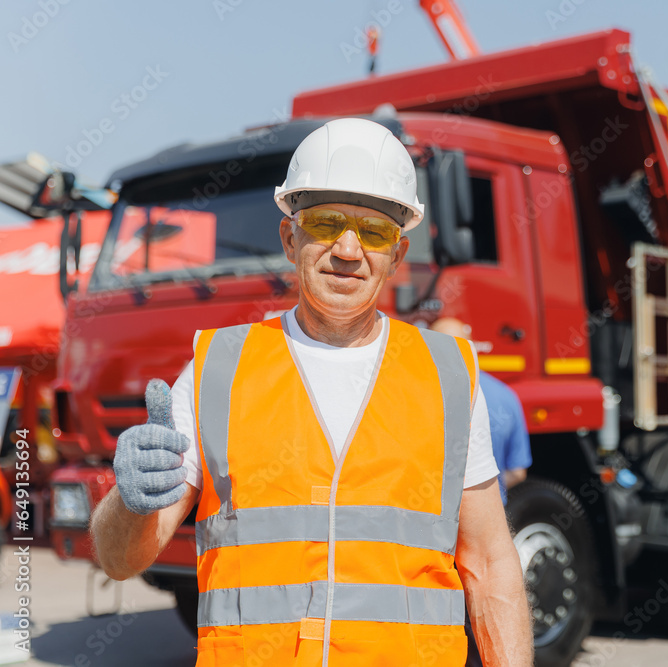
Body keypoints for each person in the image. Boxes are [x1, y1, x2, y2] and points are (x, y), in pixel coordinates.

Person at [89, 118, 533, 666]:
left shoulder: (447, 376)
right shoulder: (216, 371)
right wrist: (127, 502)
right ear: (289, 237)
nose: (348, 249)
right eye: (326, 223)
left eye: (374, 232)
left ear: (397, 254)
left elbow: (490, 565)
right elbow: (120, 560)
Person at [430, 318, 531, 504]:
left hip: (432, 517)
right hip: (488, 518)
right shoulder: (506, 396)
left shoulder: (418, 394)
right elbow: (517, 472)